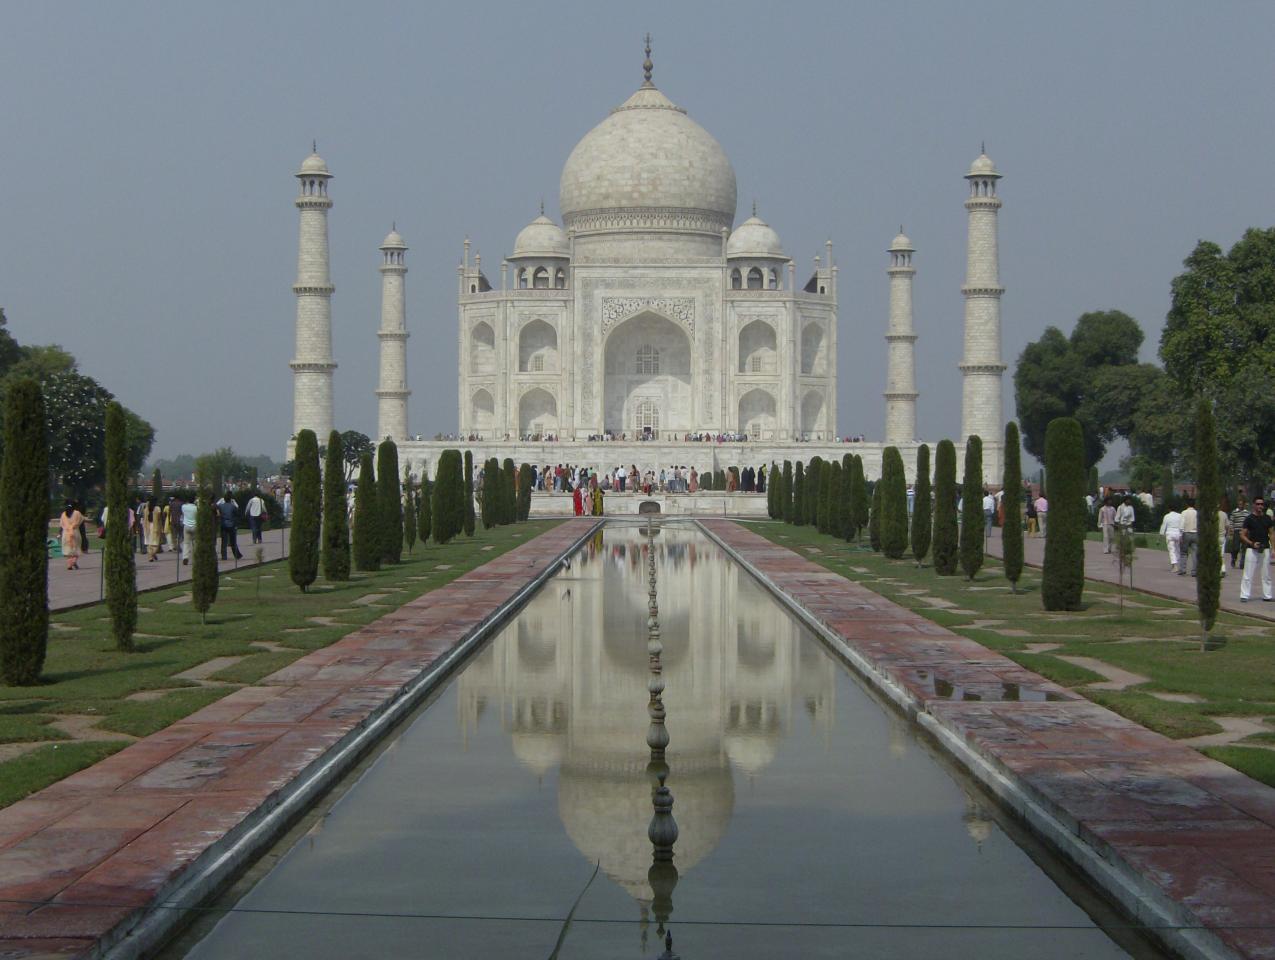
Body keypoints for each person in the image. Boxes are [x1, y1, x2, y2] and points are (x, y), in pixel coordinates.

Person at [1239, 496, 1274, 602]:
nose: (1260, 506)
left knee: (1266, 574)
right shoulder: (1249, 519)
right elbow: (1242, 534)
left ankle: (1267, 595)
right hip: (1252, 549)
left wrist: (1273, 549)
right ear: (1254, 505)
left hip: (1265, 548)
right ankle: (1244, 595)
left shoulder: (1267, 518)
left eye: (1261, 504)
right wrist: (1252, 543)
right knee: (1248, 573)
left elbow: (1272, 534)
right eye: (1258, 504)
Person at [216, 491, 243, 560]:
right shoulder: (233, 507)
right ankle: (237, 555)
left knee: (224, 542)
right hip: (231, 525)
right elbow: (237, 514)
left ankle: (224, 556)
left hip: (223, 525)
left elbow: (216, 508)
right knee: (233, 541)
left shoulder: (221, 506)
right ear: (230, 499)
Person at [59, 501, 84, 571]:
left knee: (68, 550)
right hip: (75, 532)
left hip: (66, 533)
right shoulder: (77, 513)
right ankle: (74, 561)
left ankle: (69, 564)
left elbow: (61, 525)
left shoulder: (63, 514)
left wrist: (59, 533)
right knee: (76, 548)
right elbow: (81, 521)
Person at [1159, 503, 1183, 572]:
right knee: (1177, 549)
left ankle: (1175, 566)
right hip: (1178, 533)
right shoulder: (1180, 516)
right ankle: (1176, 564)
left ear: (1169, 509)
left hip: (1170, 534)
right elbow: (1182, 526)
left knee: (1171, 550)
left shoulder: (1167, 516)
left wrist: (1160, 536)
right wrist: (1181, 535)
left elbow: (1163, 526)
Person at [1178, 498, 1198, 577]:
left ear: (1187, 504)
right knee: (1195, 553)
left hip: (1186, 533)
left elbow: (1181, 524)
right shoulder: (1197, 513)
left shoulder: (1184, 512)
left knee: (1184, 552)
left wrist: (1180, 535)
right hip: (1195, 533)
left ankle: (1183, 569)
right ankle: (1194, 571)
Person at [1228, 498, 1248, 569]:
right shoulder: (1234, 512)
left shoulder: (1247, 513)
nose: (1240, 505)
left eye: (1241, 504)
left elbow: (1249, 522)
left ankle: (1242, 563)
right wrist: (1231, 529)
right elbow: (1231, 521)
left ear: (1244, 504)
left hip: (1244, 532)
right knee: (1236, 547)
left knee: (1244, 548)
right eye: (1239, 504)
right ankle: (1234, 558)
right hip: (1236, 531)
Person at [180, 496, 198, 565]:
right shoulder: (196, 508)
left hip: (186, 526)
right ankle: (195, 559)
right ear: (194, 500)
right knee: (195, 543)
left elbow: (182, 513)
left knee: (186, 543)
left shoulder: (184, 506)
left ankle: (185, 557)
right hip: (194, 525)